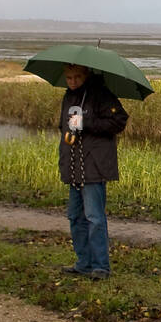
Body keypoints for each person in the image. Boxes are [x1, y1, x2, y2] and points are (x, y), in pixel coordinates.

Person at [58, 64, 129, 279]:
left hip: (94, 166)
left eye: (77, 77)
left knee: (94, 217)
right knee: (75, 217)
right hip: (74, 165)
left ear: (86, 74)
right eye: (69, 77)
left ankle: (100, 267)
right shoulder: (68, 97)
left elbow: (119, 121)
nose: (72, 81)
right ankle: (83, 263)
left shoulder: (101, 94)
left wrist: (86, 122)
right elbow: (63, 128)